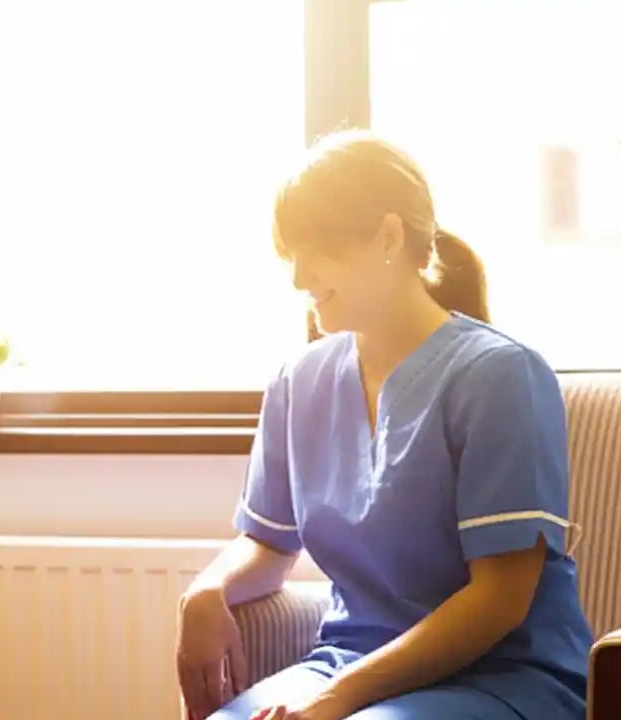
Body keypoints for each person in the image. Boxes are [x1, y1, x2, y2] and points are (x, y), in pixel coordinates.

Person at [175, 130, 592, 720]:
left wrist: (335, 700)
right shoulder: (300, 382)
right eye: (288, 254)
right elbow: (269, 542)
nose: (298, 279)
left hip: (500, 679)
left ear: (390, 237)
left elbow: (500, 599)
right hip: (346, 665)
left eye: (314, 251)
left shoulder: (502, 376)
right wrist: (207, 591)